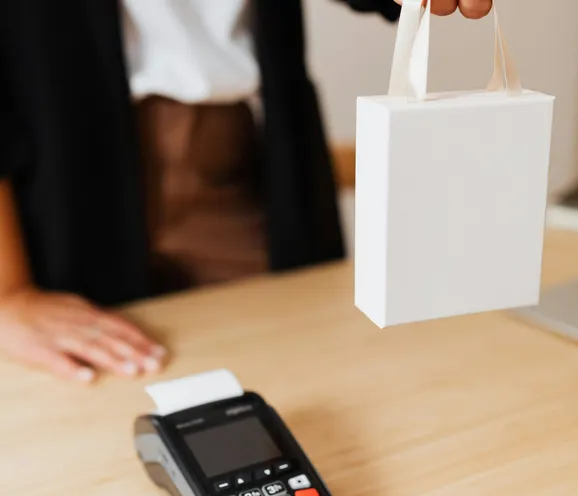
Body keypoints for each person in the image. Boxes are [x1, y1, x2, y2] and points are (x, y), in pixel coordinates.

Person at [0, 0, 492, 384]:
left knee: (302, 372)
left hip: (245, 167)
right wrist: (9, 294)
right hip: (50, 193)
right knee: (91, 399)